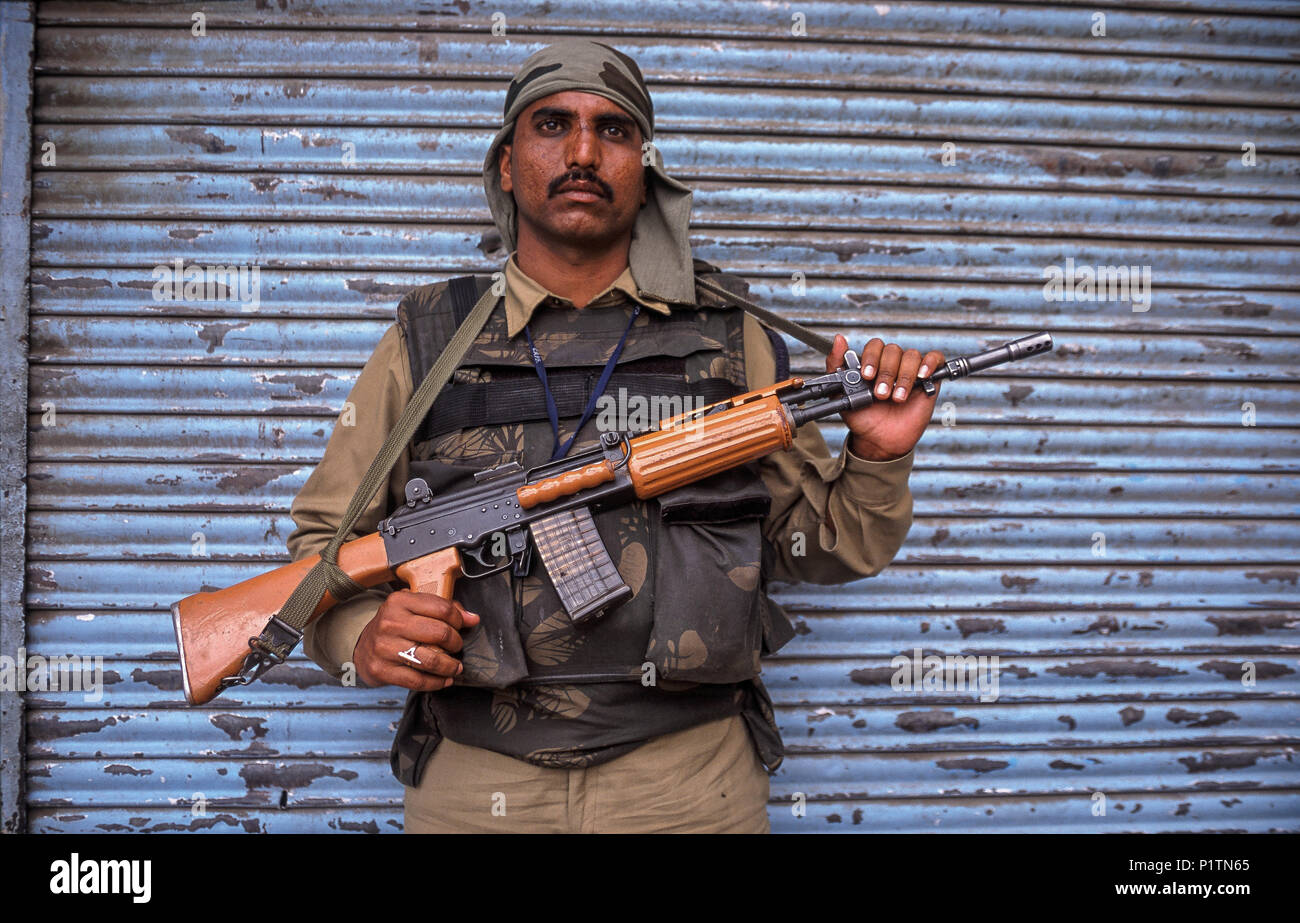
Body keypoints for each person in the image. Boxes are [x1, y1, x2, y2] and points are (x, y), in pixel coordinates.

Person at [287, 40, 944, 833]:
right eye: (552, 123)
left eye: (615, 130)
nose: (583, 151)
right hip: (476, 786)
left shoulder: (730, 334)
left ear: (645, 167)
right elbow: (321, 546)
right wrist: (362, 637)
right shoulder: (430, 339)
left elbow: (820, 547)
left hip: (690, 782)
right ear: (505, 165)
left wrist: (876, 453)